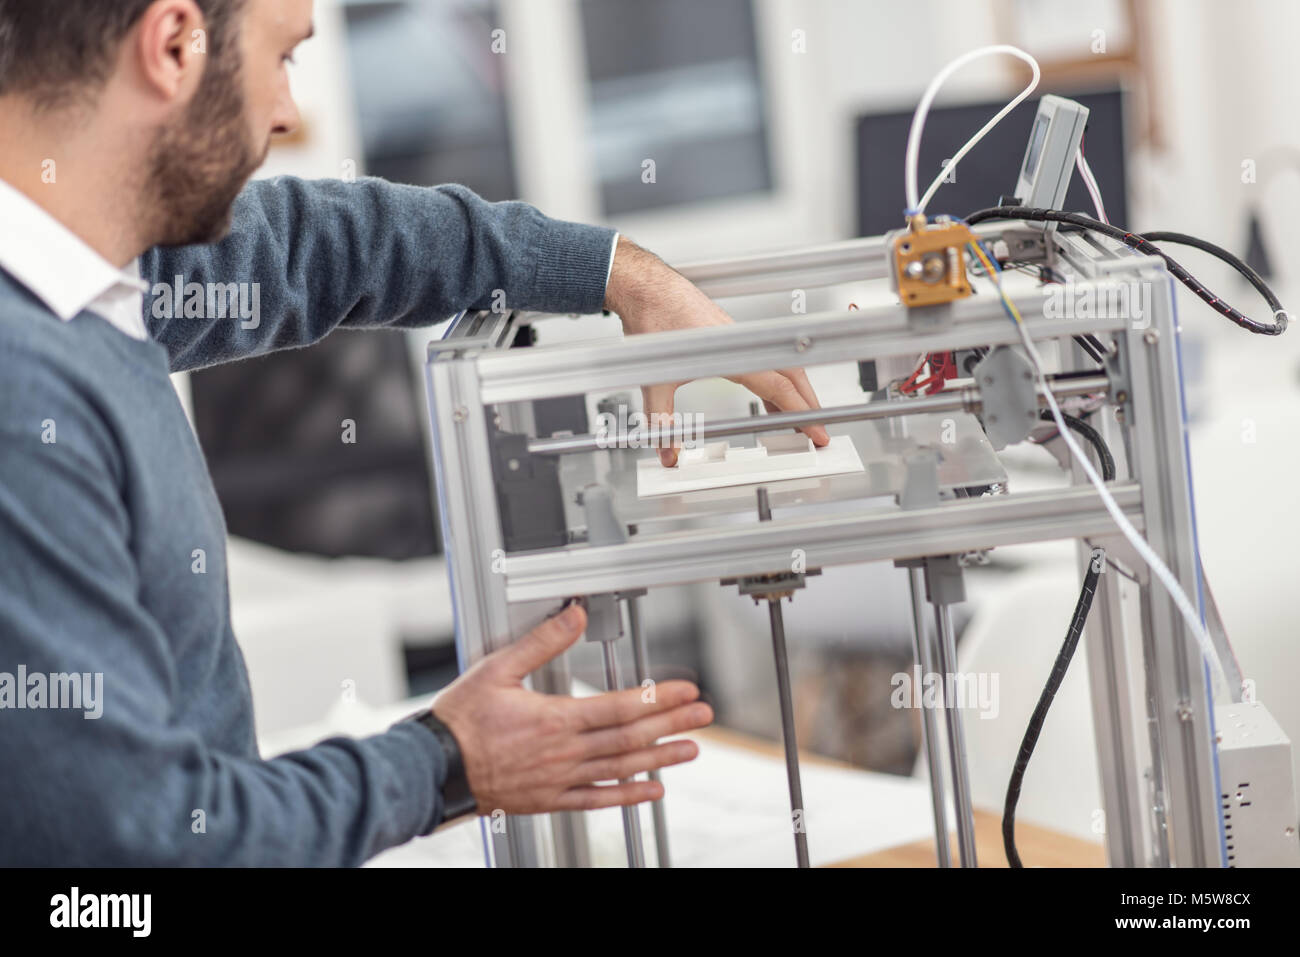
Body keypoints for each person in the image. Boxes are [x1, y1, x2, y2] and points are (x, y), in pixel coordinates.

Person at [0, 0, 827, 865]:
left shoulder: (101, 269)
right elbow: (141, 849)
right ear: (173, 47)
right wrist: (445, 758)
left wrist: (620, 274)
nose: (286, 113)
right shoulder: (24, 395)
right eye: (284, 60)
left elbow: (333, 245)